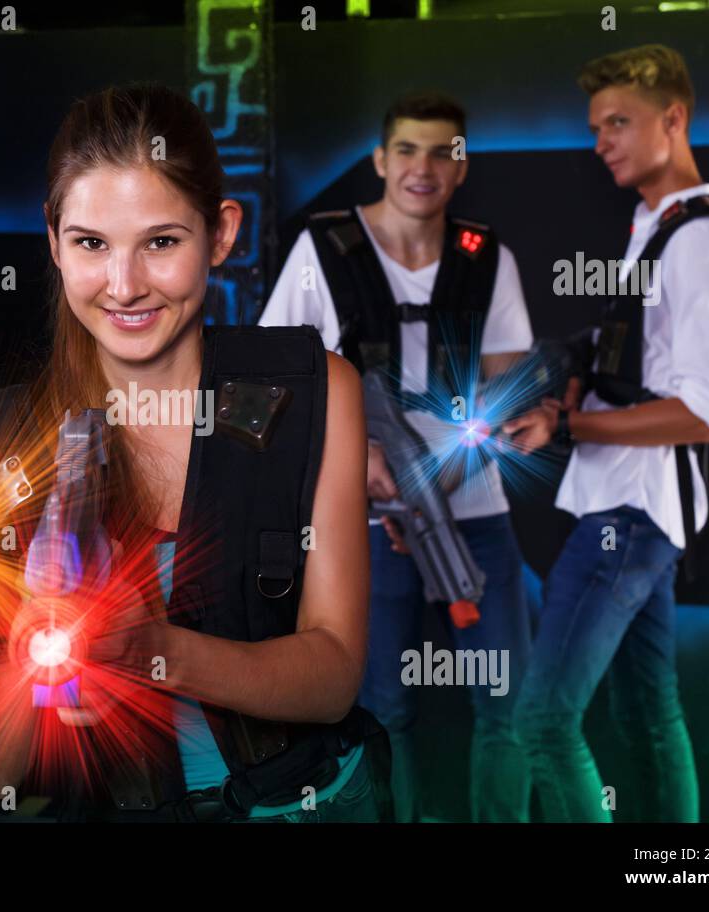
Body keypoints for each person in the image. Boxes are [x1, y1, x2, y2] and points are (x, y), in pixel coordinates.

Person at [0, 84, 390, 822]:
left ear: (221, 234)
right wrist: (31, 668)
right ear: (54, 240)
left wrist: (146, 648)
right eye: (91, 243)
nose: (124, 287)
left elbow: (332, 674)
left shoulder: (316, 388)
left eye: (161, 242)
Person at [259, 91, 535, 822]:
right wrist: (363, 459)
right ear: (381, 160)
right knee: (383, 708)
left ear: (462, 165)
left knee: (510, 707)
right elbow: (274, 377)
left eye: (444, 151)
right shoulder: (324, 247)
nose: (425, 167)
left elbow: (511, 381)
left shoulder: (486, 255)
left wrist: (449, 469)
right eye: (408, 150)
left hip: (474, 515)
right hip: (367, 523)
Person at [505, 44, 709, 822]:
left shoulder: (701, 240)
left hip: (633, 512)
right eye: (595, 127)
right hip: (629, 506)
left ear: (673, 120)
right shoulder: (656, 225)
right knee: (648, 717)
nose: (601, 142)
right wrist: (573, 385)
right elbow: (638, 360)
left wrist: (570, 423)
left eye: (619, 123)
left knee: (543, 722)